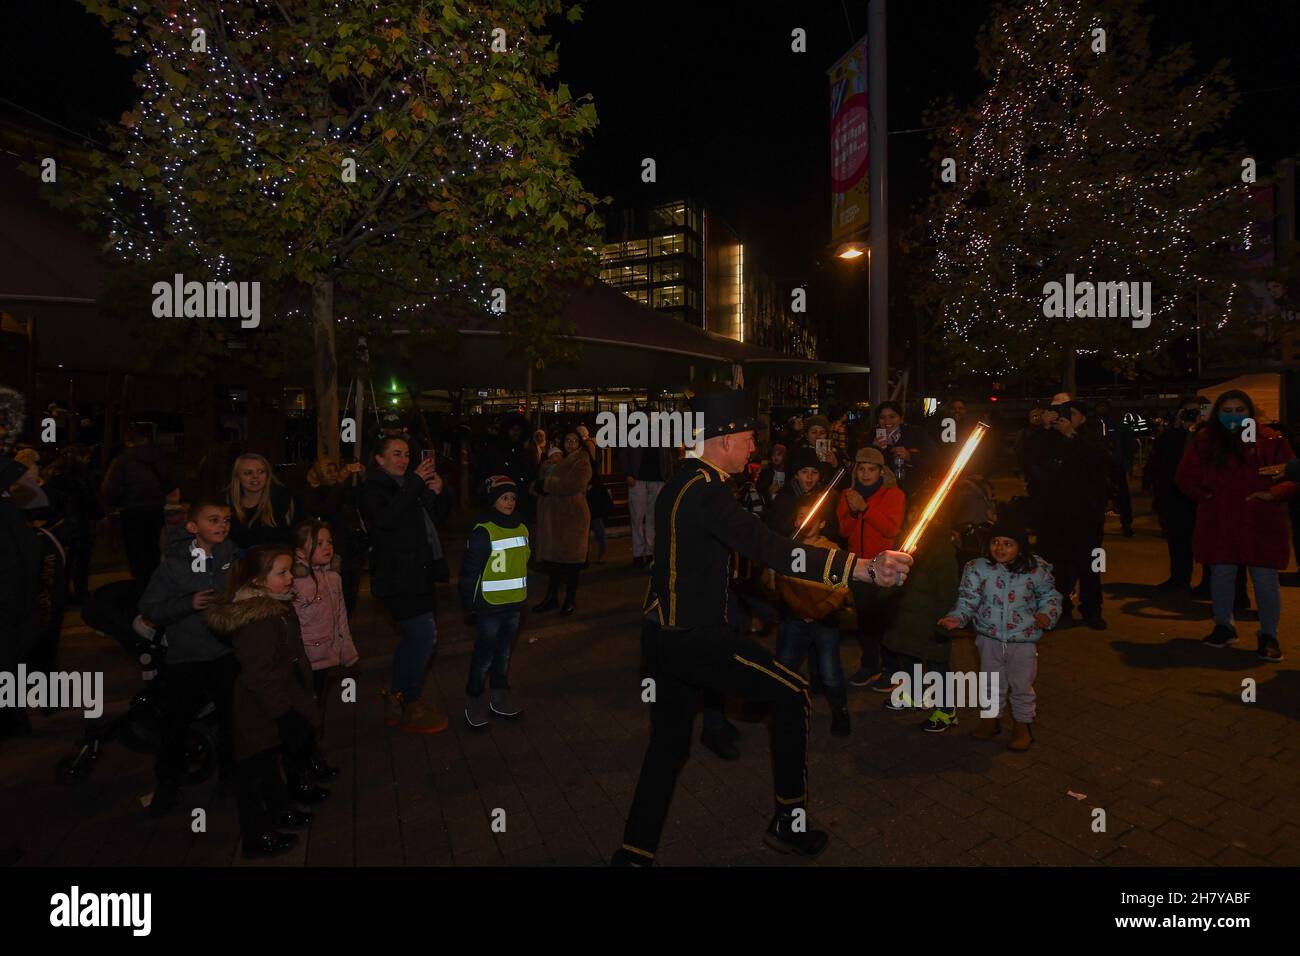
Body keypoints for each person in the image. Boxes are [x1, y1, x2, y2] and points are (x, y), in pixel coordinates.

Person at [612, 389, 913, 867]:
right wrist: (862, 568)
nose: (753, 448)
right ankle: (787, 826)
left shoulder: (682, 482)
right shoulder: (708, 491)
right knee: (793, 694)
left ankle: (634, 852)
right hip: (694, 639)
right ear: (723, 438)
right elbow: (771, 549)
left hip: (661, 637)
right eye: (748, 438)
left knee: (668, 746)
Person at [206, 545, 322, 859]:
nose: (289, 579)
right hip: (259, 711)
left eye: (289, 571)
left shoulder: (274, 606)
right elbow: (260, 675)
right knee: (254, 776)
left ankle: (281, 811)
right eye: (281, 573)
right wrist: (285, 715)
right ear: (258, 581)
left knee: (271, 767)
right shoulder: (259, 619)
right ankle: (257, 838)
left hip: (272, 704)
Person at [1176, 390, 1296, 660]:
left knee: (1265, 580)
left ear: (1249, 411)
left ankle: (1268, 634)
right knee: (1221, 576)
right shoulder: (1205, 440)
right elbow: (1185, 476)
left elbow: (1291, 474)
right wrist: (1205, 496)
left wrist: (1273, 494)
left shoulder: (1271, 440)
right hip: (1221, 521)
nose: (1233, 416)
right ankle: (1224, 626)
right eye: (1227, 410)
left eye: (1239, 410)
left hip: (1260, 520)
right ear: (1218, 411)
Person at [138, 497, 239, 816]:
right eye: (213, 520)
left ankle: (230, 779)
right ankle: (167, 787)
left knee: (232, 722)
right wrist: (187, 603)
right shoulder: (173, 564)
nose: (221, 525)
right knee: (175, 726)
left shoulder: (230, 554)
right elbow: (149, 608)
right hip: (187, 658)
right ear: (193, 527)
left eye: (225, 519)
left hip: (224, 652)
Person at [939, 520, 1062, 751]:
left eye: (1008, 543)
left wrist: (1047, 613)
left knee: (1021, 685)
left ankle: (1022, 725)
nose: (1000, 548)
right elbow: (968, 598)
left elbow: (1050, 596)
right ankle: (990, 721)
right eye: (995, 542)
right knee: (990, 682)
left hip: (1023, 639)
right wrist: (958, 616)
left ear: (1020, 547)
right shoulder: (978, 568)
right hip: (989, 637)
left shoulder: (1035, 570)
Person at [359, 436, 452, 733]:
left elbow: (428, 520)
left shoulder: (404, 487)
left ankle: (397, 698)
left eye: (407, 454)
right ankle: (409, 701)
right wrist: (414, 484)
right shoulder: (372, 488)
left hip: (419, 574)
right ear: (379, 459)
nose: (403, 459)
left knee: (415, 639)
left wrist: (437, 493)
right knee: (424, 636)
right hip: (397, 578)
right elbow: (386, 519)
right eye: (395, 454)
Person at [775, 500, 854, 736]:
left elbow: (841, 584)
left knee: (831, 671)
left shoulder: (830, 549)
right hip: (795, 618)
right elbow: (782, 580)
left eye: (812, 517)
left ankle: (840, 711)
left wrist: (825, 607)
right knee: (785, 665)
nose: (805, 521)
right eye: (801, 516)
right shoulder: (788, 547)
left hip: (825, 620)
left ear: (821, 523)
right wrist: (800, 608)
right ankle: (779, 710)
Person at [883, 502, 963, 732]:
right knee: (908, 656)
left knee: (937, 664)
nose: (917, 516)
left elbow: (948, 589)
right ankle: (913, 696)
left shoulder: (940, 548)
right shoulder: (907, 541)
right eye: (914, 511)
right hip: (907, 614)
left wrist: (944, 619)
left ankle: (946, 711)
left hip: (930, 619)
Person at [459, 475, 529, 728]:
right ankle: (473, 703)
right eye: (503, 498)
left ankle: (499, 700)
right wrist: (469, 605)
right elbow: (469, 573)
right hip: (490, 607)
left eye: (512, 498)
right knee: (484, 657)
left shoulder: (522, 527)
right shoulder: (483, 531)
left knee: (504, 655)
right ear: (492, 501)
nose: (509, 502)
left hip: (514, 605)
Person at [1035, 398, 1110, 629]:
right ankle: (1059, 608)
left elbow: (1100, 462)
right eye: (1061, 414)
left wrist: (1071, 436)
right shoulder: (1047, 439)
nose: (1065, 419)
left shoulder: (1091, 438)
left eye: (1072, 414)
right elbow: (1032, 463)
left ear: (1082, 418)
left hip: (1087, 515)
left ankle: (1092, 609)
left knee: (1091, 566)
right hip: (1054, 515)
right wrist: (1041, 429)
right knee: (1056, 565)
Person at [838, 447, 907, 689]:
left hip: (885, 565)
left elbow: (891, 529)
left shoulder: (893, 495)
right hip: (859, 566)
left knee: (885, 621)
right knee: (865, 620)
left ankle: (891, 669)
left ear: (881, 471)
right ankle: (869, 665)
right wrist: (854, 512)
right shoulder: (848, 494)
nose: (866, 474)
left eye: (872, 469)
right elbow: (845, 531)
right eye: (862, 468)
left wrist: (866, 509)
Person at [290, 520, 359, 762]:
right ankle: (303, 759)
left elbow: (341, 616)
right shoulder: (295, 584)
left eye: (329, 542)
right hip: (305, 659)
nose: (327, 547)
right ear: (300, 551)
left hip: (326, 656)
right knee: (305, 709)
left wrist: (345, 649)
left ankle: (313, 752)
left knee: (318, 704)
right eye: (318, 544)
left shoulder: (333, 578)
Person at [101, 426, 180, 583]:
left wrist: (115, 503)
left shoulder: (121, 461)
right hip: (155, 509)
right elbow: (170, 484)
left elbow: (111, 490)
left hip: (132, 510)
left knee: (136, 550)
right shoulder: (160, 459)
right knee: (152, 547)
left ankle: (140, 584)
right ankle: (152, 582)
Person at [532, 430, 591, 616]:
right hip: (559, 518)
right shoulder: (560, 460)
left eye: (574, 440)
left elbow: (572, 484)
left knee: (572, 562)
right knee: (556, 562)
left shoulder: (582, 461)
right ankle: (551, 597)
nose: (570, 443)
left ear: (580, 443)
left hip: (573, 518)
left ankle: (570, 599)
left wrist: (546, 484)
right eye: (567, 440)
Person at [300, 457, 366, 616]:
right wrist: (340, 484)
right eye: (327, 471)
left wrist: (363, 477)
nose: (333, 474)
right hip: (331, 552)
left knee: (350, 590)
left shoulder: (342, 488)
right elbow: (326, 509)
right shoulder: (313, 492)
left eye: (335, 470)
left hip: (351, 548)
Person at [1148, 397, 1203, 589]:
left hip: (1203, 496)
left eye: (1196, 412)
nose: (1192, 416)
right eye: (1188, 412)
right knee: (1178, 540)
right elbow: (1160, 454)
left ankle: (1209, 583)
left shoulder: (1210, 434)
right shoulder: (1172, 435)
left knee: (1206, 541)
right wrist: (1177, 427)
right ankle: (1179, 578)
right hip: (1175, 495)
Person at [227, 453, 297, 550]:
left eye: (261, 471)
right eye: (248, 473)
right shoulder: (227, 501)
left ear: (268, 475)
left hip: (277, 558)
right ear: (237, 476)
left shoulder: (281, 498)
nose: (255, 476)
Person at [620, 440, 672, 569]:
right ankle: (638, 554)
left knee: (652, 519)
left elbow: (668, 456)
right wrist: (627, 474)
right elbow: (623, 454)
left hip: (657, 480)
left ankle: (650, 552)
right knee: (637, 519)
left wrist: (667, 476)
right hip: (637, 480)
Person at [871, 401, 936, 497]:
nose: (887, 421)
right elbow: (860, 466)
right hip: (881, 494)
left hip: (914, 493)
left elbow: (935, 461)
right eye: (882, 418)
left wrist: (910, 456)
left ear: (901, 419)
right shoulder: (871, 436)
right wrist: (873, 449)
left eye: (892, 417)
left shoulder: (917, 434)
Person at [1094, 400, 1136, 536]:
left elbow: (1129, 447)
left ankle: (1127, 523)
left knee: (1122, 496)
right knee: (1099, 498)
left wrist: (1126, 465)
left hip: (1116, 466)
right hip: (1100, 468)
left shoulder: (1119, 427)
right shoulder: (1094, 426)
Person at [767, 445, 827, 537]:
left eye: (814, 472)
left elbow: (832, 529)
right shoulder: (784, 497)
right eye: (804, 472)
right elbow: (775, 527)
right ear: (796, 475)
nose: (809, 477)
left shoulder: (822, 496)